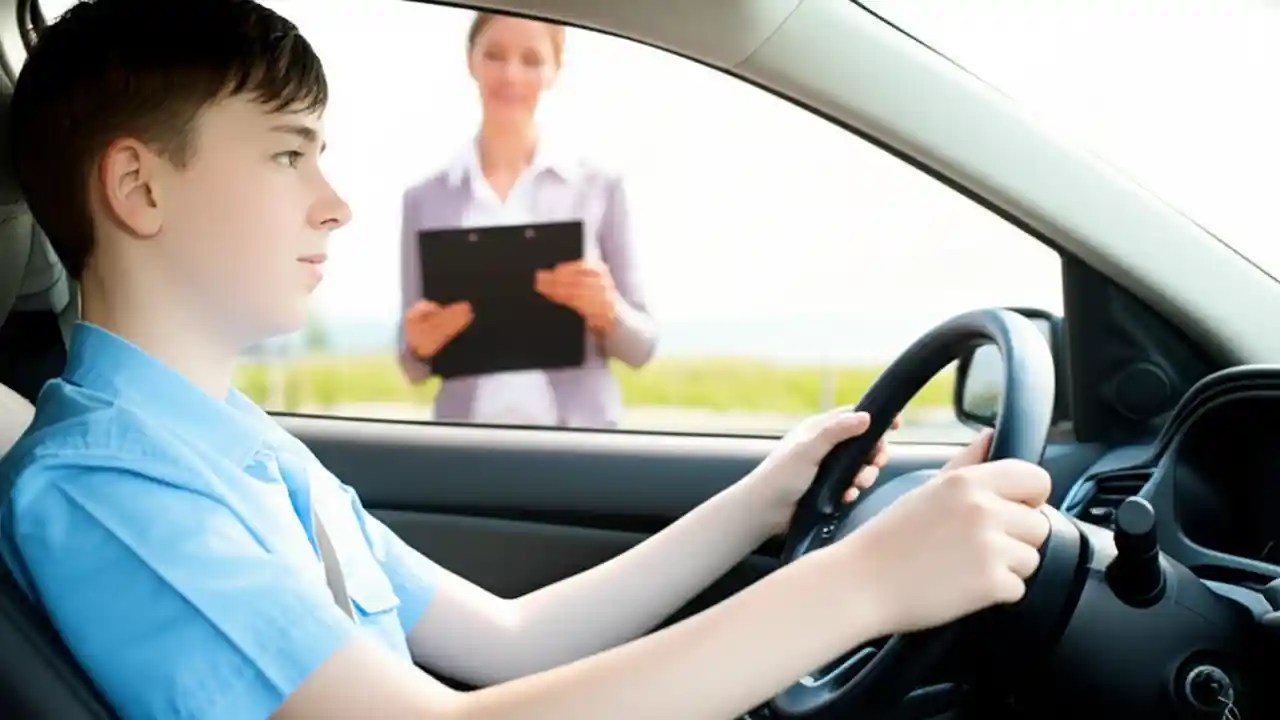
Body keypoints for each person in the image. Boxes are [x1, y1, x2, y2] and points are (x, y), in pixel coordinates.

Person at [0, 2, 1053, 719]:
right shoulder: (105, 485)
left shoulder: (230, 441)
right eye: (287, 153)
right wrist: (866, 581)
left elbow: (508, 639)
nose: (335, 201)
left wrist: (760, 503)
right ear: (139, 188)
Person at [398, 12, 657, 429]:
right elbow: (411, 364)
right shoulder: (426, 199)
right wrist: (419, 346)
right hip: (465, 446)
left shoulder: (599, 188)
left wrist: (607, 311)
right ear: (471, 60)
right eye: (495, 54)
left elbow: (642, 348)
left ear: (556, 70)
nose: (511, 74)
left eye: (532, 59)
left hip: (576, 448)